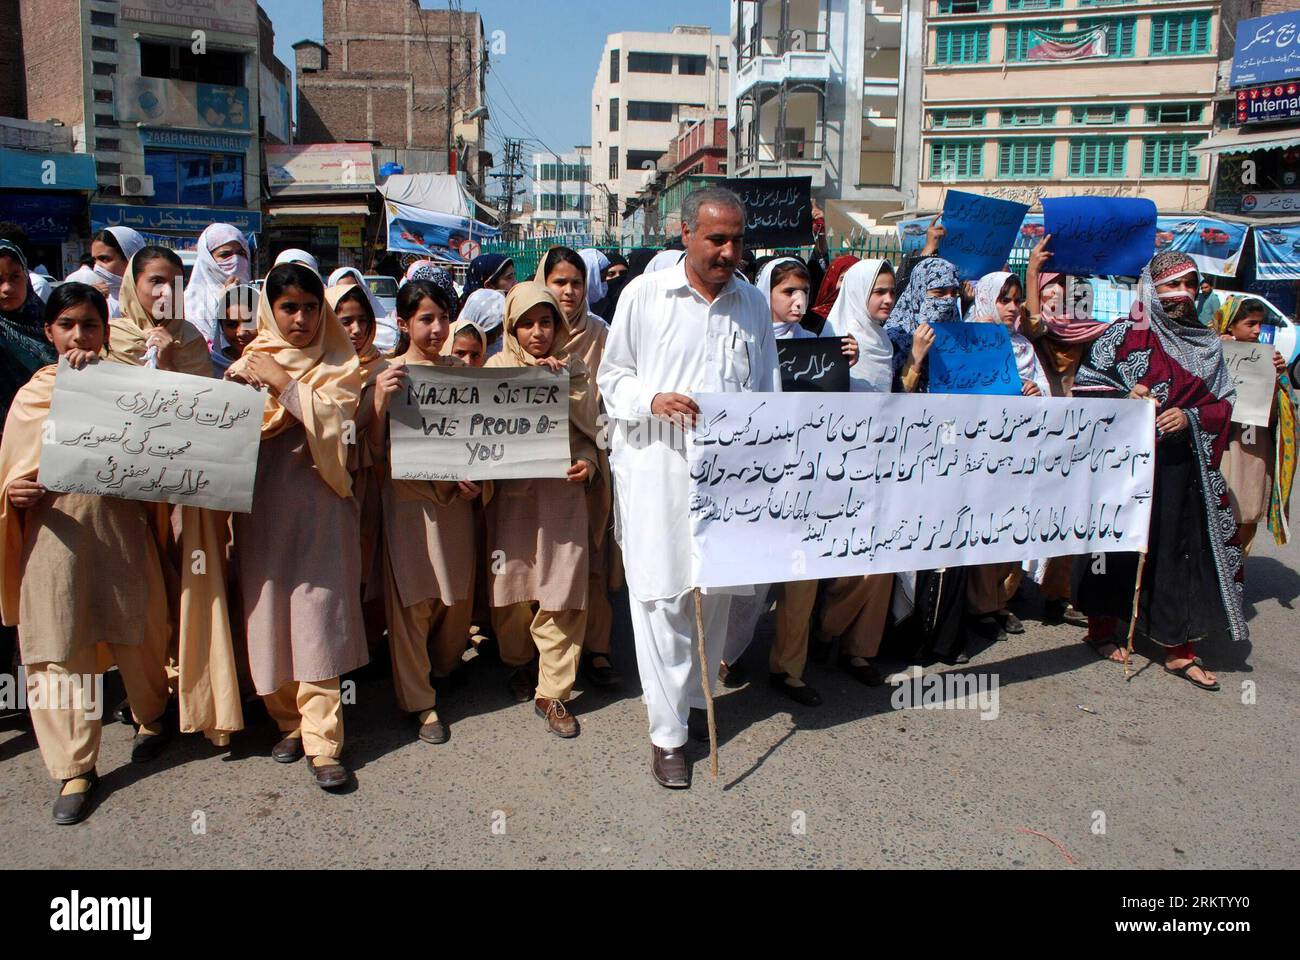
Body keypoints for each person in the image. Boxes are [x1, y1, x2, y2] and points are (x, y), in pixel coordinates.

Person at [598, 186, 780, 789]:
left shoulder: (752, 303)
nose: (729, 252)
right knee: (662, 599)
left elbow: (767, 389)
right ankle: (667, 736)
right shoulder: (644, 297)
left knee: (716, 591)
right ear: (686, 234)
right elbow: (612, 376)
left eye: (737, 240)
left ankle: (698, 703)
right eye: (717, 239)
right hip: (658, 474)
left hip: (727, 479)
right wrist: (650, 400)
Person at [0, 284, 172, 823]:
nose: (80, 335)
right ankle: (75, 767)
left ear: (105, 330)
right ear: (49, 332)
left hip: (121, 531)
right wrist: (14, 495)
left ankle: (152, 717)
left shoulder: (132, 389)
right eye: (68, 324)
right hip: (54, 538)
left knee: (141, 634)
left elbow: (166, 458)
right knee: (58, 645)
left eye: (91, 325)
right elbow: (10, 473)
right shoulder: (32, 395)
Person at [1072, 252, 1247, 692]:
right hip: (1124, 467)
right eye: (1171, 286)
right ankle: (1101, 628)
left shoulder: (1207, 344)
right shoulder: (1123, 335)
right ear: (1151, 289)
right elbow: (1087, 385)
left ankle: (1177, 648)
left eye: (1190, 284)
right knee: (1113, 549)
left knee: (1178, 554)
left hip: (1181, 468)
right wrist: (1126, 400)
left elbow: (1223, 403)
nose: (1182, 295)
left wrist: (1189, 418)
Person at [224, 263, 368, 787]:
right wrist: (239, 387)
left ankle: (324, 742)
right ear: (271, 309)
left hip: (321, 503)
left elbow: (340, 426)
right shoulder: (248, 361)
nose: (301, 318)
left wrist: (284, 383)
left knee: (316, 616)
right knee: (269, 613)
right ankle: (290, 720)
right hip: (263, 510)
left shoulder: (340, 361)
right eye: (289, 308)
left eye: (311, 307)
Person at [720, 257, 860, 706]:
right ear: (766, 294)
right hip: (758, 482)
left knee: (802, 578)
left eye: (804, 291)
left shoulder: (819, 346)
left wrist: (846, 365)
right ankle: (728, 652)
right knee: (750, 582)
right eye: (786, 292)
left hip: (808, 482)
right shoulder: (748, 345)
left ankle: (789, 668)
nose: (798, 300)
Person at [484, 281, 602, 738]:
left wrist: (587, 466)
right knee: (512, 588)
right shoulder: (495, 368)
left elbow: (592, 434)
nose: (537, 332)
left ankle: (553, 691)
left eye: (546, 321)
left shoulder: (574, 371)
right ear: (512, 326)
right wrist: (529, 382)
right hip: (512, 501)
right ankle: (518, 662)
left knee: (564, 588)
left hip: (562, 499)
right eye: (527, 323)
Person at [367, 279, 477, 745]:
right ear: (403, 322)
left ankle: (444, 668)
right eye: (425, 319)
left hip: (455, 504)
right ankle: (420, 701)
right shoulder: (388, 374)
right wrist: (378, 401)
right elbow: (369, 451)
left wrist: (480, 480)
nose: (435, 329)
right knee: (412, 601)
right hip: (408, 503)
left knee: (455, 598)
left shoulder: (460, 371)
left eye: (441, 318)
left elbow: (489, 436)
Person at [534, 247, 619, 689]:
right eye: (559, 281)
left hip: (591, 457)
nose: (568, 291)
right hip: (536, 471)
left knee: (592, 556)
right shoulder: (528, 330)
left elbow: (612, 398)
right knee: (544, 562)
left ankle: (599, 648)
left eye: (576, 282)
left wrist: (575, 391)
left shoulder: (601, 333)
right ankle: (542, 657)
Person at [883, 257, 975, 665]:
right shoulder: (894, 338)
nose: (945, 302)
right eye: (937, 294)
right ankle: (905, 639)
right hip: (909, 462)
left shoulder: (965, 339)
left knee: (951, 551)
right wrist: (916, 360)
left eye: (952, 294)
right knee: (912, 553)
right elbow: (890, 406)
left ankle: (945, 638)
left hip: (955, 457)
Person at [817, 258, 899, 685]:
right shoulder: (838, 340)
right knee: (853, 563)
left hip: (881, 464)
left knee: (882, 559)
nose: (888, 299)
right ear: (858, 293)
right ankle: (827, 630)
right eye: (878, 292)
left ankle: (860, 650)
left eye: (891, 291)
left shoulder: (882, 340)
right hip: (841, 469)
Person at [1021, 237, 1108, 627]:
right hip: (1036, 436)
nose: (1059, 301)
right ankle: (1004, 594)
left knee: (1070, 512)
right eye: (1049, 293)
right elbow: (1034, 322)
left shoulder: (1094, 335)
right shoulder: (1034, 336)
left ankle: (1057, 594)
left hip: (1076, 437)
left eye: (1068, 294)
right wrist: (1033, 271)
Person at [962, 272, 1047, 644]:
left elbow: (1043, 391)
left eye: (1016, 300)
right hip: (981, 450)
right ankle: (980, 605)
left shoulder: (1024, 347)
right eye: (1004, 300)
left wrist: (1033, 390)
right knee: (982, 522)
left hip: (1018, 450)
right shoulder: (968, 342)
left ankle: (1000, 599)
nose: (1014, 307)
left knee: (1012, 523)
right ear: (985, 300)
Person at [1212, 296, 1296, 558]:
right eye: (1250, 324)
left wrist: (1277, 377)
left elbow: (1280, 412)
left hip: (1254, 450)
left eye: (1260, 324)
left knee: (1246, 516)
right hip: (1222, 448)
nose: (1258, 331)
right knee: (1216, 516)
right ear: (1229, 326)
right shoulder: (1209, 351)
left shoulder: (1267, 359)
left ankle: (1235, 578)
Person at [108, 247, 213, 377]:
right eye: (156, 282)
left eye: (176, 285)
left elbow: (200, 394)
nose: (168, 293)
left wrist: (167, 365)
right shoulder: (108, 336)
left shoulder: (191, 339)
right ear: (133, 284)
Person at [0, 238, 57, 427]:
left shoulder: (52, 325)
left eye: (15, 277)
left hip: (49, 430)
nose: (7, 288)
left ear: (26, 277)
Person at [185, 224, 252, 344]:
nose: (236, 260)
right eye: (225, 255)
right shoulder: (189, 305)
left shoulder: (255, 296)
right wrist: (221, 304)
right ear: (208, 259)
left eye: (241, 253)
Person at [327, 266, 398, 354]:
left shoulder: (389, 331)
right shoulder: (322, 355)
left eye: (354, 289)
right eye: (346, 322)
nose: (357, 330)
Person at [87, 226, 146, 317]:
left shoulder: (158, 299)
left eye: (104, 259)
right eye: (94, 260)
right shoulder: (97, 301)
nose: (97, 268)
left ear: (130, 259)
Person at [211, 284, 259, 377]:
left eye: (250, 323)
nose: (241, 333)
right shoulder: (209, 364)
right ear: (221, 326)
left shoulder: (278, 359)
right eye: (232, 325)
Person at [806, 254, 859, 333]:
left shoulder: (867, 315)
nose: (847, 285)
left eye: (854, 279)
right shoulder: (814, 319)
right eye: (843, 279)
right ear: (832, 281)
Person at [457, 287, 506, 359]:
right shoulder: (453, 349)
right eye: (492, 333)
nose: (499, 335)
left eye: (501, 329)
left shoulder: (502, 348)